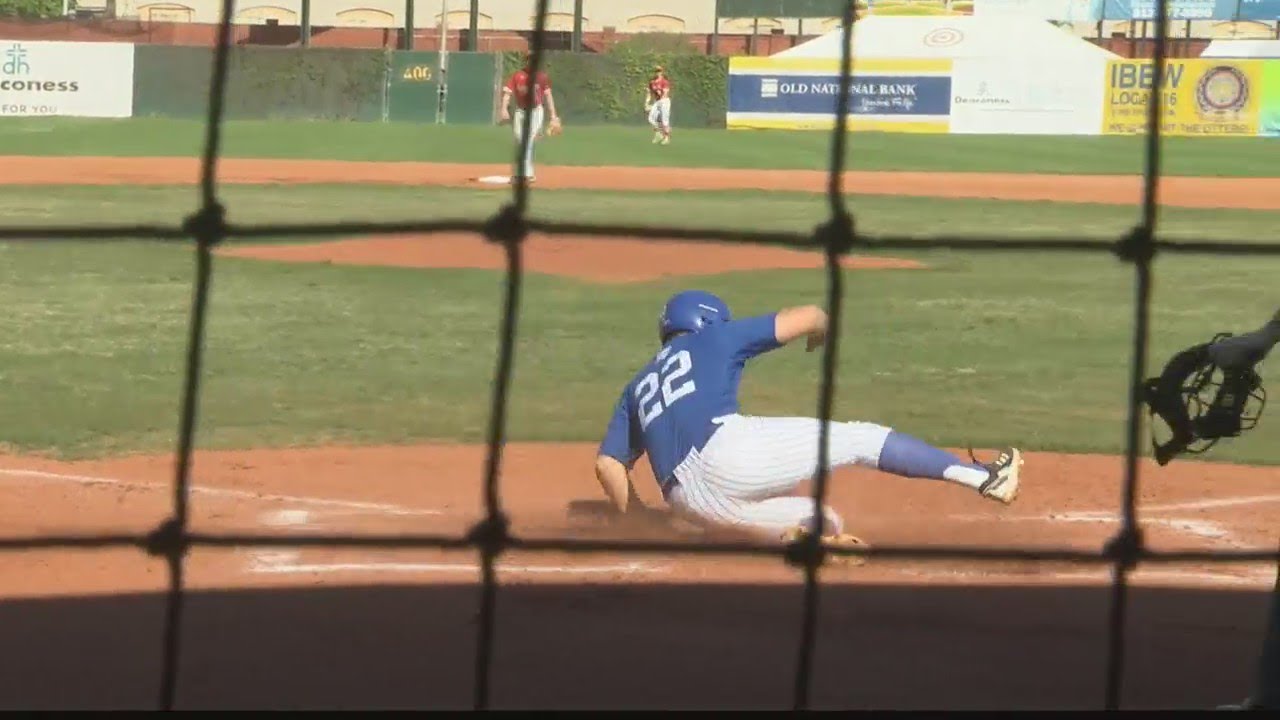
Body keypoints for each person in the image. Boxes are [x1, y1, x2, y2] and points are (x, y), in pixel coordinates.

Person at [593, 290, 1023, 561]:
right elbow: (808, 314)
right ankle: (984, 477)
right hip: (728, 450)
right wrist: (820, 330)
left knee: (823, 518)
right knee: (860, 438)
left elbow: (609, 465)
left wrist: (643, 520)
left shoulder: (636, 387)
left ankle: (793, 539)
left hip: (689, 501)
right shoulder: (714, 337)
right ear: (707, 321)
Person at [499, 52, 561, 183]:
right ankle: (522, 173)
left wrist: (553, 115)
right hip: (521, 112)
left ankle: (525, 174)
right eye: (529, 60)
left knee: (527, 141)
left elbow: (548, 96)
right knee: (519, 140)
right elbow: (507, 93)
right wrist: (504, 109)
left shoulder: (541, 77)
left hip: (535, 112)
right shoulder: (517, 76)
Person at [644, 65, 672, 145]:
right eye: (656, 71)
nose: (658, 73)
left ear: (662, 72)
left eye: (659, 71)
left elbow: (665, 93)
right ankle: (659, 134)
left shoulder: (664, 82)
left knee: (664, 120)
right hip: (657, 101)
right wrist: (646, 103)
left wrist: (658, 104)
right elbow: (649, 93)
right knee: (651, 118)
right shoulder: (652, 82)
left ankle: (666, 137)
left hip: (665, 101)